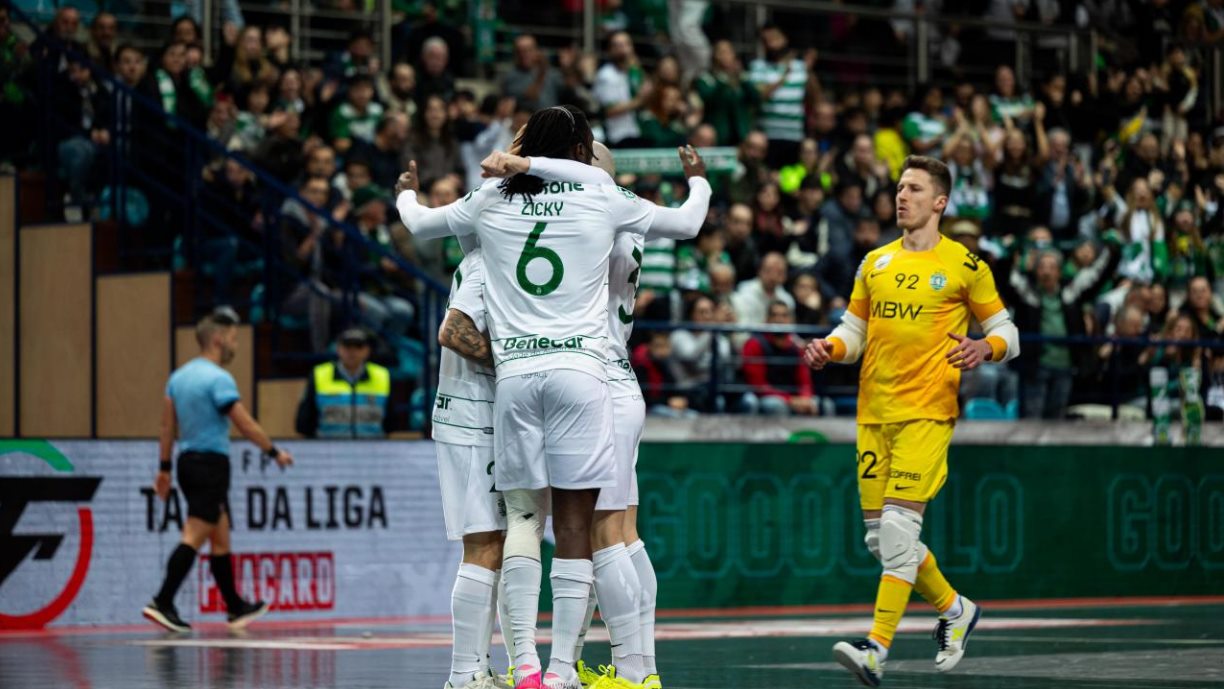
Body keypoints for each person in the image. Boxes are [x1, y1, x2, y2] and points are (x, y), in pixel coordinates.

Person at [396, 107, 709, 689]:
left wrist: (408, 196)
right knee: (598, 527)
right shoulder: (608, 202)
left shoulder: (490, 206)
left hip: (515, 378)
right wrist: (699, 178)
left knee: (521, 520)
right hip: (595, 374)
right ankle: (605, 669)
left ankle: (527, 670)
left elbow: (419, 224)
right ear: (581, 154)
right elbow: (688, 221)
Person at [805, 156, 1020, 686]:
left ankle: (876, 647)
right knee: (882, 543)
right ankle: (955, 609)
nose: (902, 196)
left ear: (940, 202)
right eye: (900, 187)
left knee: (900, 530)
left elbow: (1008, 333)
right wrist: (830, 349)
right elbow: (853, 333)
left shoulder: (966, 265)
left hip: (927, 410)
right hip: (873, 413)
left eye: (915, 189)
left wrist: (983, 347)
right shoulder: (874, 262)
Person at [142, 308, 293, 633]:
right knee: (195, 533)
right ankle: (163, 600)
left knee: (219, 535)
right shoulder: (218, 379)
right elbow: (244, 422)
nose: (234, 346)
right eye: (233, 339)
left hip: (186, 463)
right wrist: (273, 451)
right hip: (211, 465)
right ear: (217, 338)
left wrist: (164, 468)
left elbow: (167, 425)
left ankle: (234, 607)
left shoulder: (178, 378)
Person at [432, 247, 510, 689]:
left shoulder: (493, 259)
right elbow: (454, 330)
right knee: (482, 543)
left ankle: (477, 667)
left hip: (483, 415)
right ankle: (465, 673)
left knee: (496, 544)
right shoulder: (485, 261)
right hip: (471, 416)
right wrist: (517, 362)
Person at [295, 328, 392, 438]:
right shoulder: (319, 375)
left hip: (373, 448)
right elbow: (304, 423)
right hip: (328, 449)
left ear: (367, 351)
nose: (352, 352)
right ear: (338, 349)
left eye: (358, 347)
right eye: (347, 346)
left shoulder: (382, 375)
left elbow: (390, 423)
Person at [742, 300, 818, 416]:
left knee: (821, 404)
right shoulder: (754, 344)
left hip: (794, 397)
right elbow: (758, 385)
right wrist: (790, 400)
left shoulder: (796, 346)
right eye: (774, 315)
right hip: (765, 397)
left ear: (790, 320)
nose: (779, 320)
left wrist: (805, 398)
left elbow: (805, 381)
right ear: (767, 320)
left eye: (784, 316)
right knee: (777, 406)